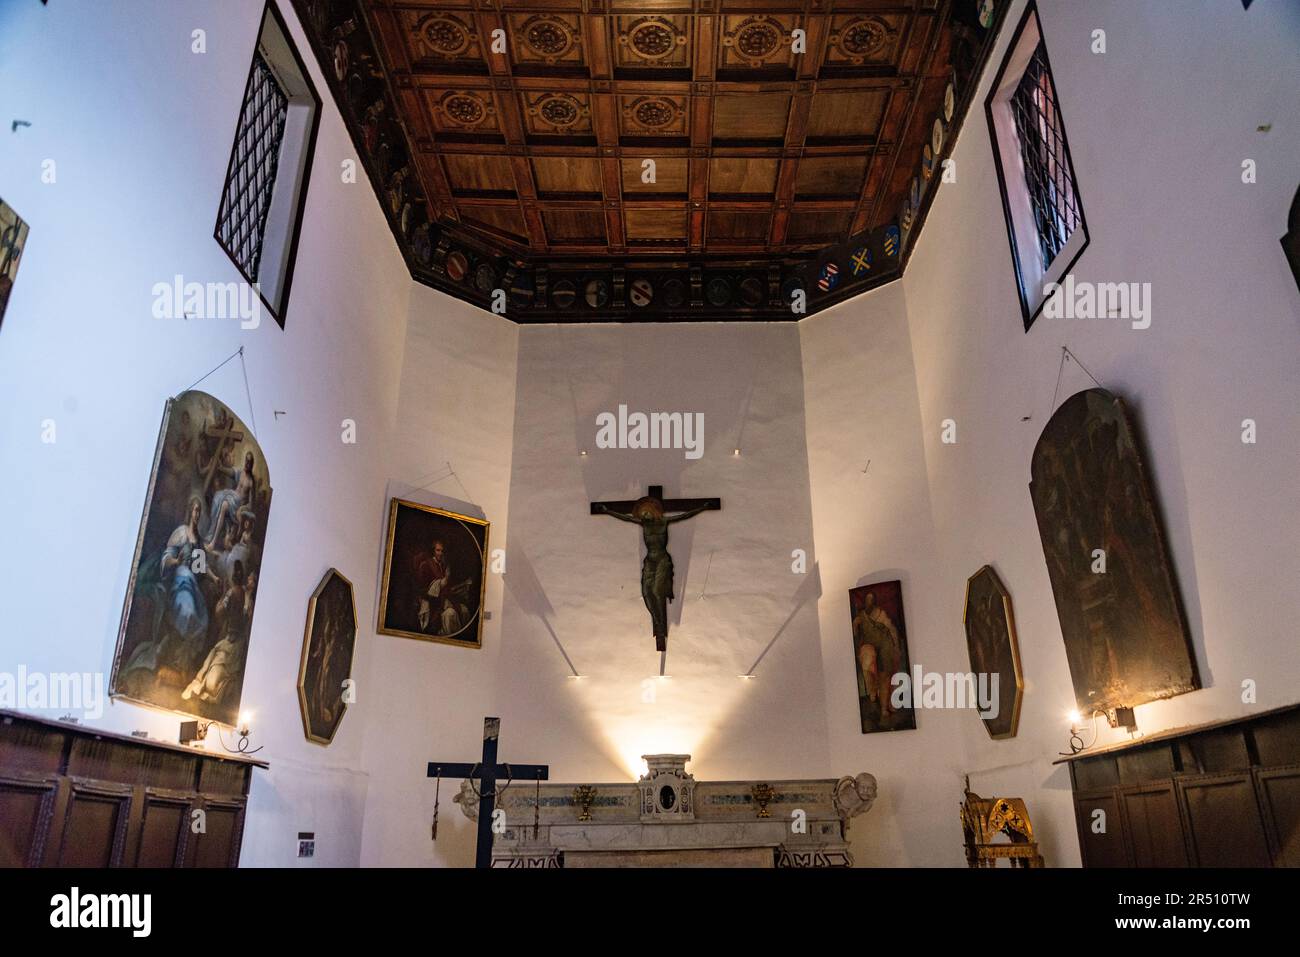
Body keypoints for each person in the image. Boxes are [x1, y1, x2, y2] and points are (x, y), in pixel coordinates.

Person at [593, 495, 713, 652]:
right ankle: (658, 622)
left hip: (662, 559)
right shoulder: (644, 524)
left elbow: (685, 515)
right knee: (646, 592)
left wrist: (702, 508)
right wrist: (607, 511)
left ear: (653, 511)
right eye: (642, 514)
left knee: (657, 591)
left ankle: (660, 626)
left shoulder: (664, 522)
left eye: (646, 513)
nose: (643, 516)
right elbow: (625, 518)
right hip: (650, 561)